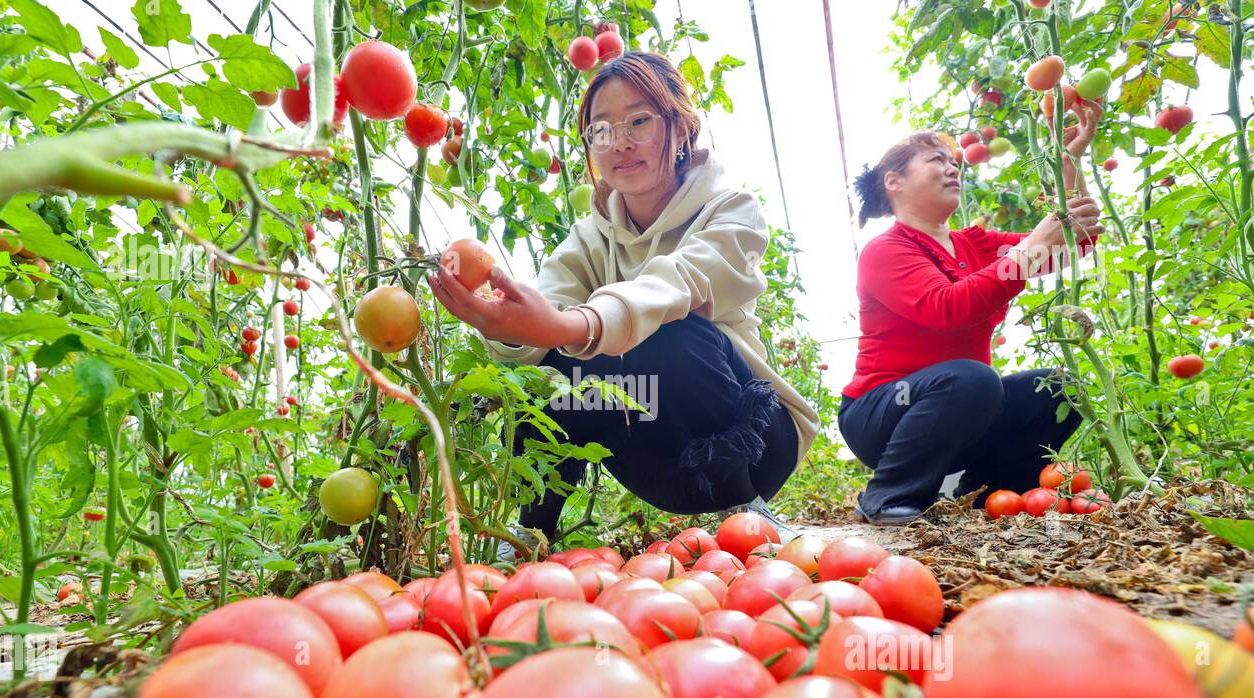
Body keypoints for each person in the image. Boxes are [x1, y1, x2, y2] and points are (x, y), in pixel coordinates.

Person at [428, 51, 818, 550]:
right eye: (601, 131)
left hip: (754, 445)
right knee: (545, 372)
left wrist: (572, 326)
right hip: (655, 459)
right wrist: (504, 326)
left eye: (639, 121)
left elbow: (677, 282)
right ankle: (531, 531)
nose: (620, 143)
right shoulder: (589, 239)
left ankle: (748, 514)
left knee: (674, 338)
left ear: (680, 129)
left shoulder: (732, 210)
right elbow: (544, 320)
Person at [839, 102, 1105, 525]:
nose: (952, 168)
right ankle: (888, 494)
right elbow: (947, 308)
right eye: (936, 160)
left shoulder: (977, 245)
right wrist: (1029, 250)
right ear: (895, 182)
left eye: (952, 161)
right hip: (881, 417)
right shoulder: (886, 250)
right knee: (973, 378)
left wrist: (1069, 164)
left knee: (1058, 387)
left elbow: (1077, 244)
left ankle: (991, 491)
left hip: (961, 414)